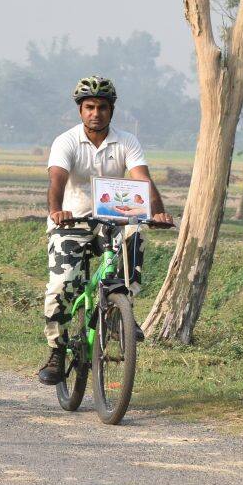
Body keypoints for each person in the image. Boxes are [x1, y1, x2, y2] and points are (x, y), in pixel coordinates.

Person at [37, 76, 173, 385]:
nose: (95, 113)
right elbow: (56, 181)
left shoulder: (127, 141)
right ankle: (57, 350)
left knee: (135, 233)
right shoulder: (66, 141)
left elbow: (143, 181)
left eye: (102, 107)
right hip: (71, 223)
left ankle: (120, 306)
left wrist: (158, 211)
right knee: (61, 286)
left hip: (112, 220)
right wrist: (56, 211)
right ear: (80, 111)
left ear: (111, 111)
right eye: (89, 107)